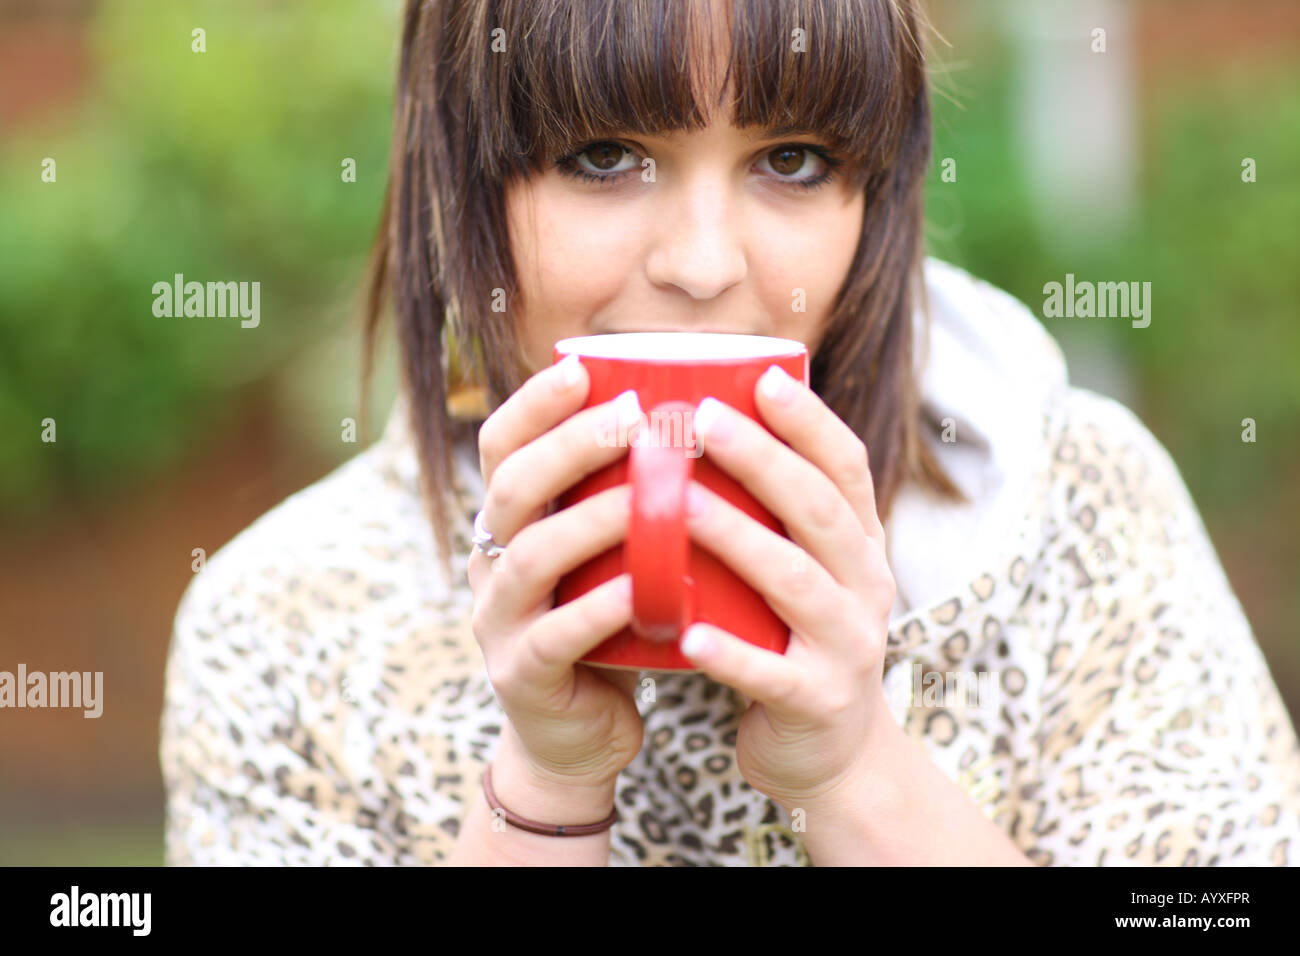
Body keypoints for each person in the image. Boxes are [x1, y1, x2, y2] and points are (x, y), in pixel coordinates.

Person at [160, 0, 1300, 866]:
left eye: (792, 160)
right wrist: (546, 787)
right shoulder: (287, 621)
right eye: (604, 155)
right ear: (460, 181)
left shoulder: (1078, 510)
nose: (703, 265)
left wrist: (855, 767)